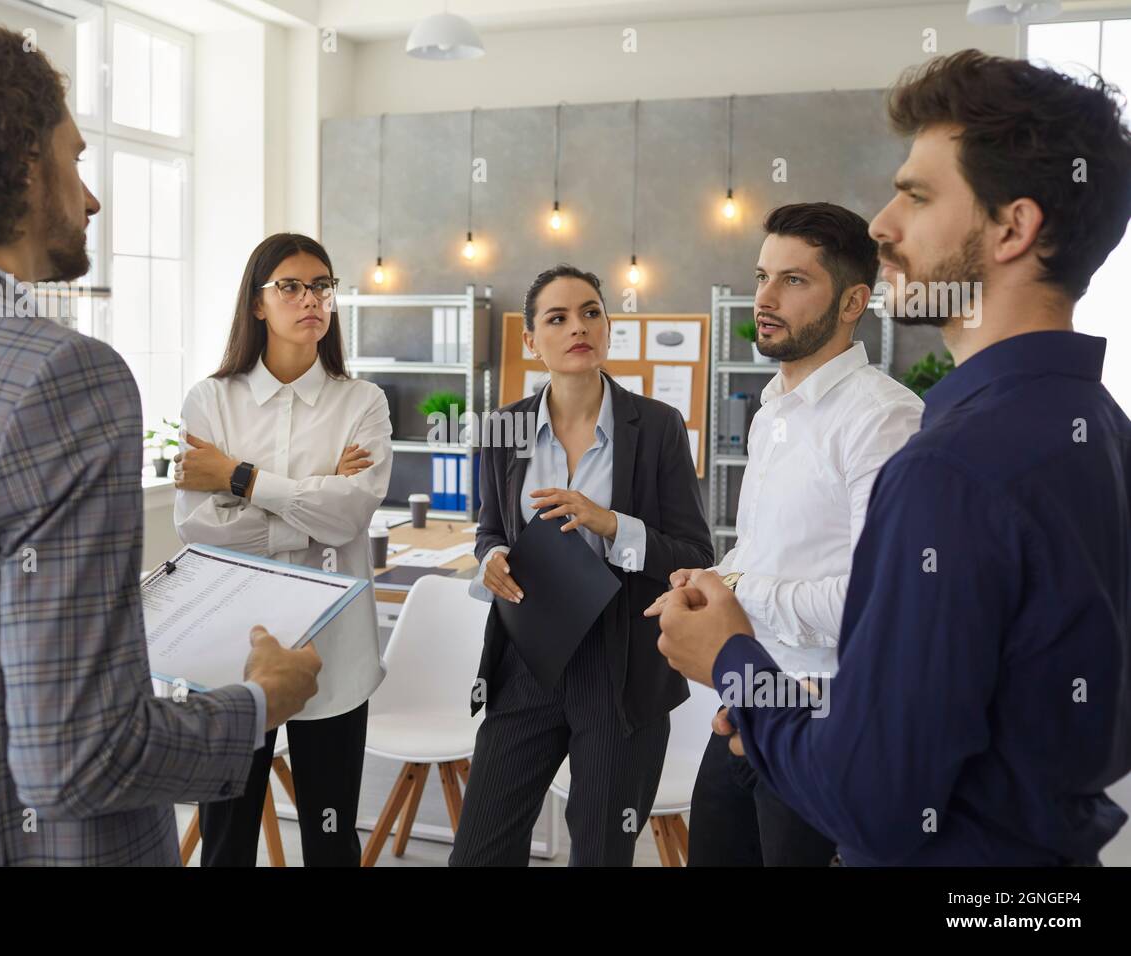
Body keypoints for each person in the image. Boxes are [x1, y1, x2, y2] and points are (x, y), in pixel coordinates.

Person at [0, 20, 321, 866]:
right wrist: (258, 703)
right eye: (77, 158)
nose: (90, 198)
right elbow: (85, 757)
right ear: (23, 165)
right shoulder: (66, 375)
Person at [655, 50, 1131, 866]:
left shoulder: (946, 466)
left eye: (915, 194)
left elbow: (875, 802)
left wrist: (732, 658)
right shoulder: (1097, 425)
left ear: (1013, 228)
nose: (881, 225)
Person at [648, 202, 923, 866]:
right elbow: (767, 548)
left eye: (794, 281)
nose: (764, 299)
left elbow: (875, 606)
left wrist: (737, 592)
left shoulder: (885, 421)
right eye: (762, 276)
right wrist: (715, 579)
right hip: (744, 703)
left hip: (824, 723)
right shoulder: (772, 411)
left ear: (854, 300)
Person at [449, 264, 713, 866]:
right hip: (527, 657)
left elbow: (696, 556)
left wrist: (612, 523)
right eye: (558, 318)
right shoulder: (503, 428)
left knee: (599, 854)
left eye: (591, 312)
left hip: (622, 665)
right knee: (478, 854)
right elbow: (492, 527)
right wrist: (490, 556)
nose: (578, 327)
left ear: (608, 326)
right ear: (530, 340)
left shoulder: (659, 427)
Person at [173, 233, 392, 866]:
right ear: (258, 304)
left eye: (322, 285)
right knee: (227, 842)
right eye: (290, 287)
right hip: (233, 647)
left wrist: (240, 479)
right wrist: (313, 499)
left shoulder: (363, 402)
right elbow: (200, 527)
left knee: (329, 839)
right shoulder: (209, 399)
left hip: (335, 647)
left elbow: (352, 512)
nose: (311, 299)